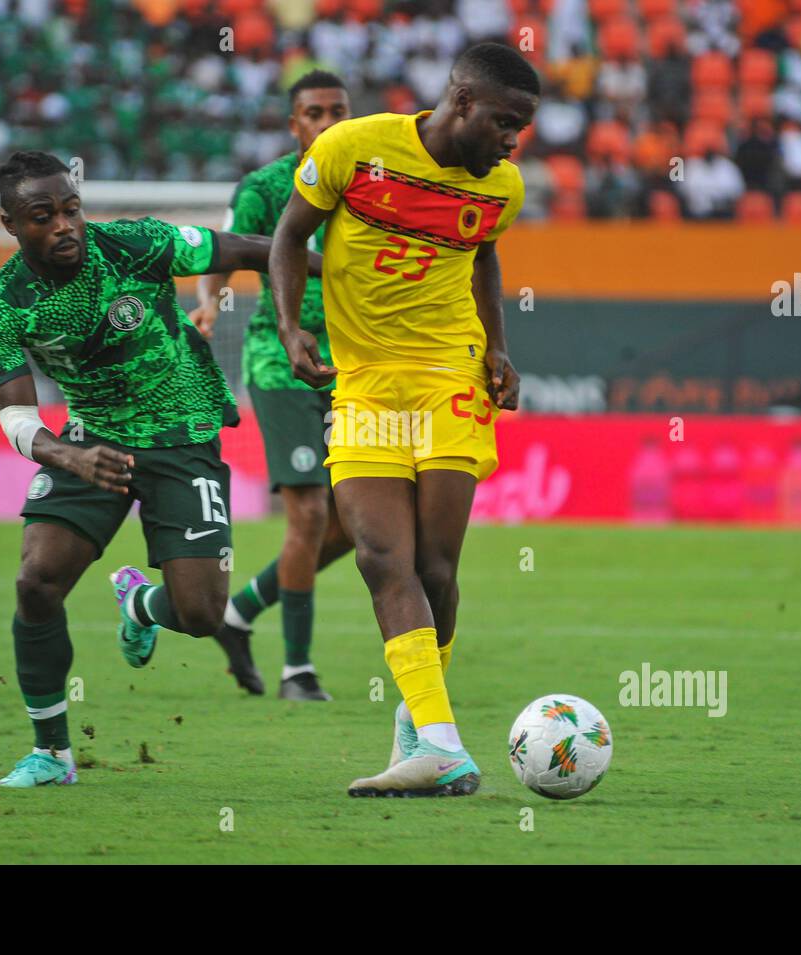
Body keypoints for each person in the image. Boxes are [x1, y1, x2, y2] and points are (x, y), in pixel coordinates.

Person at [0, 151, 319, 787]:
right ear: (12, 225)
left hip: (182, 432)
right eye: (42, 216)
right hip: (92, 440)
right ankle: (51, 754)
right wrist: (66, 452)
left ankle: (140, 603)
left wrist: (338, 268)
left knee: (203, 615)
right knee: (36, 583)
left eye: (71, 209)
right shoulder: (1, 306)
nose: (64, 226)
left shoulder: (135, 244)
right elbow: (17, 418)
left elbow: (240, 249)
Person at [270, 42, 534, 796]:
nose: (513, 141)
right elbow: (290, 236)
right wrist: (293, 329)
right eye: (505, 122)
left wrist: (499, 350)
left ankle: (420, 734)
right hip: (365, 383)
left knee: (435, 569)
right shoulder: (353, 147)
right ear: (462, 103)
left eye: (522, 127)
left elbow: (482, 252)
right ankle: (442, 744)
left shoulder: (502, 187)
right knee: (379, 556)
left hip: (450, 375)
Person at [189, 70, 355, 701]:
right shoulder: (265, 187)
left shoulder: (373, 188)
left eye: (339, 110)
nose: (328, 121)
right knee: (309, 512)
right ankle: (298, 671)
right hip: (279, 356)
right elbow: (224, 252)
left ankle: (238, 615)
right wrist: (209, 305)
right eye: (314, 112)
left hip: (354, 363)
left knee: (351, 526)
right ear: (295, 125)